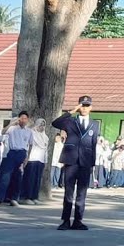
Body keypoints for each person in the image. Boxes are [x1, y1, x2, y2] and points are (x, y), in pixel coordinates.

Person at [52, 96, 100, 231]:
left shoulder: (94, 124)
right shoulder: (71, 122)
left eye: (87, 105)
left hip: (85, 162)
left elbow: (94, 144)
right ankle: (65, 220)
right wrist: (72, 110)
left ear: (91, 107)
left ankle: (78, 220)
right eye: (82, 105)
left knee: (82, 193)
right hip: (71, 160)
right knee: (68, 192)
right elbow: (55, 123)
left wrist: (92, 164)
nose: (84, 108)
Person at [0, 112, 33, 206]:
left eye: (25, 119)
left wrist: (27, 157)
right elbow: (3, 132)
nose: (23, 120)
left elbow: (30, 144)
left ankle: (14, 198)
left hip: (22, 153)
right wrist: (12, 123)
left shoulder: (29, 131)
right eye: (21, 118)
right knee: (5, 176)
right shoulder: (12, 129)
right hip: (12, 152)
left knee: (18, 177)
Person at [22, 118, 49, 205]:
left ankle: (34, 196)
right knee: (30, 179)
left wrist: (45, 161)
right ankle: (27, 197)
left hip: (40, 160)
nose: (42, 127)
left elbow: (46, 150)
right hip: (32, 159)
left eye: (43, 125)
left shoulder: (45, 137)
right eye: (40, 124)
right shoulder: (32, 133)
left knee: (37, 179)